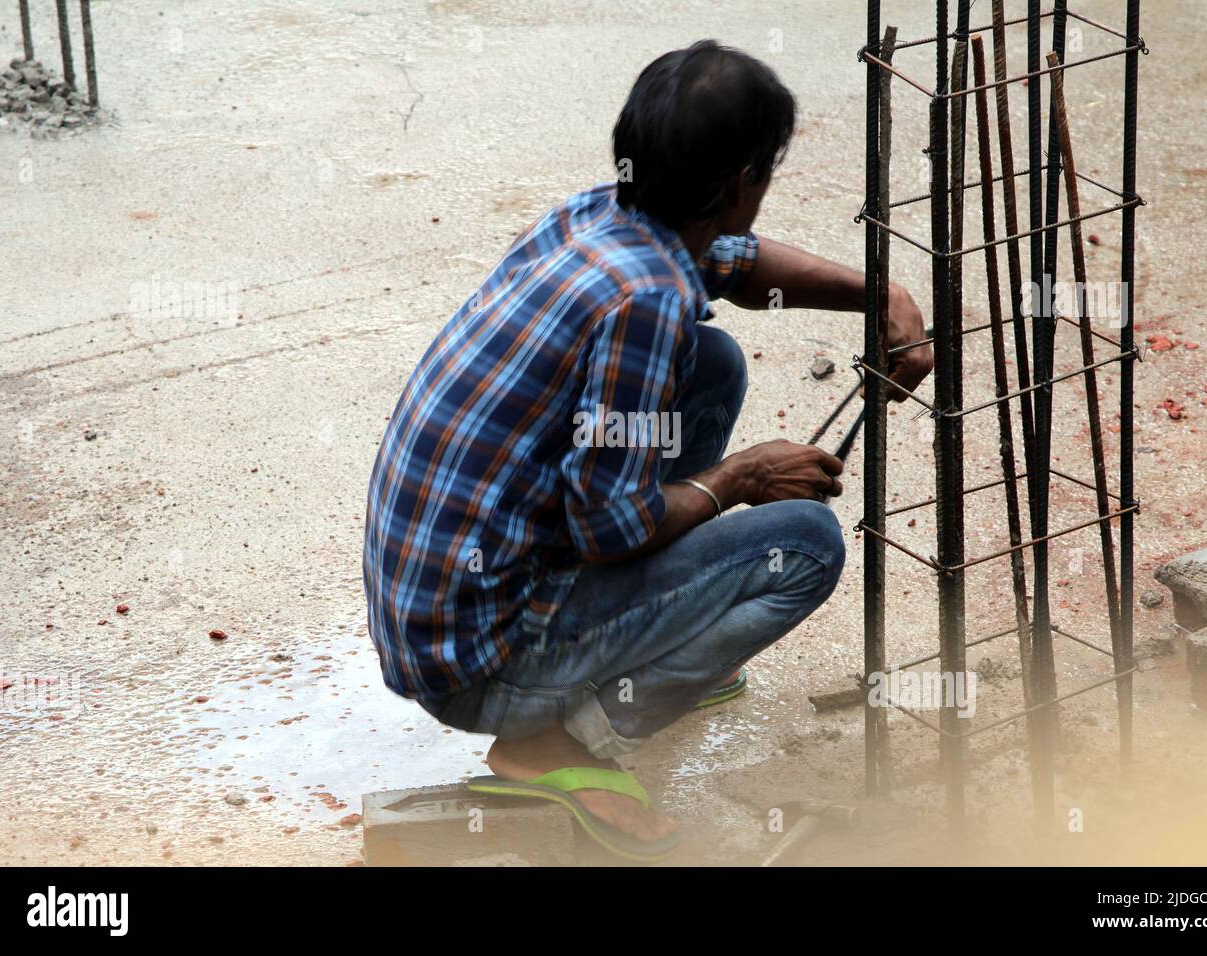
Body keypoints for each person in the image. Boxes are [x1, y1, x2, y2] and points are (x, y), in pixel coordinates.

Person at [364, 39, 930, 860]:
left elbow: (733, 266)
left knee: (715, 363)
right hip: (476, 660)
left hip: (433, 607)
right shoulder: (646, 303)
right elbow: (609, 529)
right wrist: (741, 477)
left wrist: (876, 292)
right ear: (744, 184)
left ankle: (636, 643)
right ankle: (560, 737)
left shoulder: (599, 216)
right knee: (805, 546)